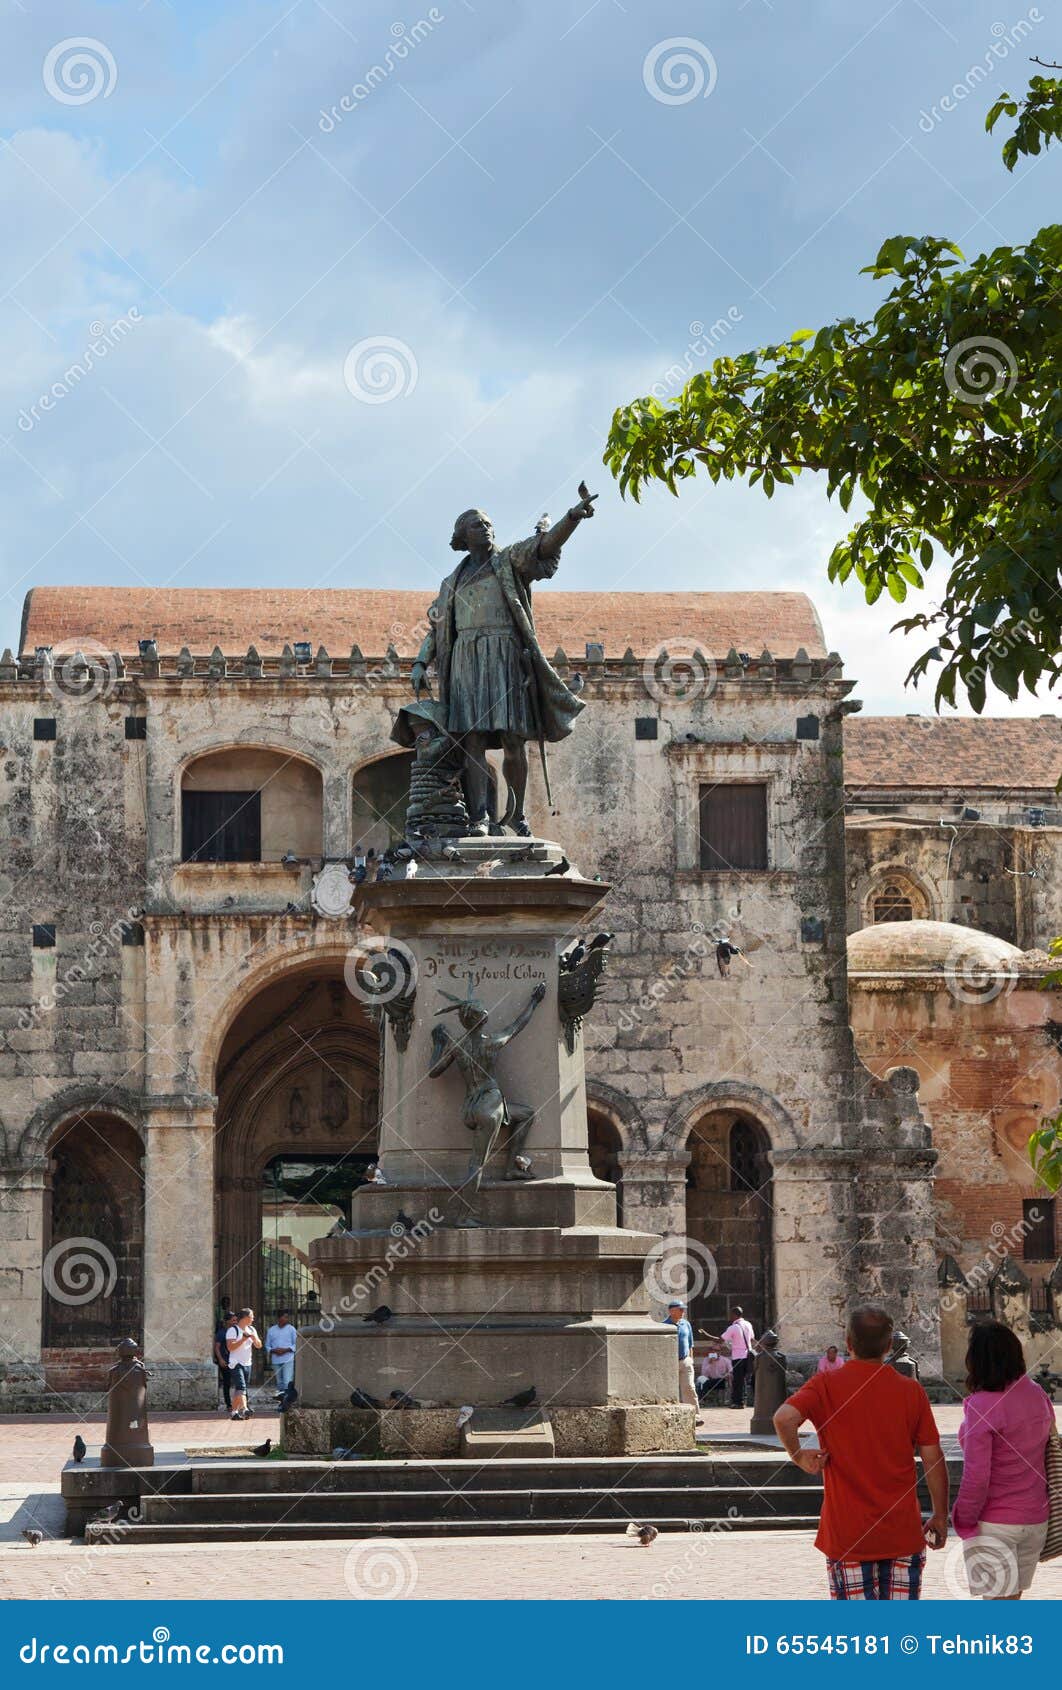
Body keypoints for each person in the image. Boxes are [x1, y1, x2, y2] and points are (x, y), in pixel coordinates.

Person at [773, 1304, 949, 1600]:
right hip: (902, 1532)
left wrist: (798, 1455)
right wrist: (941, 1515)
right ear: (889, 1346)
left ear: (848, 1343)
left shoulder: (825, 1385)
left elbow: (783, 1418)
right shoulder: (911, 1391)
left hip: (848, 1533)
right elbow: (933, 1459)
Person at [952, 1321, 1054, 1600]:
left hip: (996, 1523)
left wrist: (963, 1518)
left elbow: (977, 1476)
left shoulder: (981, 1406)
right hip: (1034, 1520)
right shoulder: (1037, 1394)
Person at [225, 1307, 262, 1421]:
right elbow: (230, 1347)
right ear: (245, 1318)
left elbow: (259, 1345)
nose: (253, 1318)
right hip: (235, 1363)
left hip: (247, 1363)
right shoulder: (233, 1330)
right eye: (251, 1316)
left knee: (240, 1389)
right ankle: (245, 1409)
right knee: (242, 1387)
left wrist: (254, 1338)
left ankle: (234, 1412)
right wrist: (243, 1339)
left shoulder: (252, 1329)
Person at [719, 1306, 756, 1407]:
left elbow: (721, 1339)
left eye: (731, 1314)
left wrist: (707, 1336)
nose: (730, 1316)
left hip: (738, 1357)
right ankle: (743, 1401)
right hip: (748, 1356)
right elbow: (752, 1338)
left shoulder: (733, 1327)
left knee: (738, 1380)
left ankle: (738, 1402)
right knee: (744, 1379)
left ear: (734, 1315)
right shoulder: (748, 1324)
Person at [665, 1299, 698, 1410]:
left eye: (683, 1309)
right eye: (680, 1309)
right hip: (670, 1363)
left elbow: (690, 1343)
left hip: (685, 1361)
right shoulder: (664, 1325)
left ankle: (695, 1416)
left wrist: (690, 1359)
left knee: (689, 1387)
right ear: (671, 1311)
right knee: (670, 1390)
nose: (683, 1311)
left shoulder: (686, 1324)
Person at [265, 1311, 297, 1396]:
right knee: (279, 1382)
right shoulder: (271, 1330)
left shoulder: (291, 1329)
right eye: (284, 1317)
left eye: (287, 1317)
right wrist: (274, 1350)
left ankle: (288, 1400)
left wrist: (285, 1350)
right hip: (276, 1359)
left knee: (287, 1381)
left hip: (288, 1358)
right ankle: (282, 1400)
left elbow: (296, 1344)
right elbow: (267, 1346)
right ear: (279, 1318)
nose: (286, 1319)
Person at [213, 1308, 235, 1413]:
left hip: (235, 1361)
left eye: (236, 1320)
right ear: (227, 1321)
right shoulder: (222, 1333)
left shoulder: (236, 1331)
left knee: (239, 1383)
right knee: (227, 1383)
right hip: (225, 1361)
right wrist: (221, 1359)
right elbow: (217, 1347)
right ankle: (229, 1404)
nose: (235, 1322)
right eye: (233, 1320)